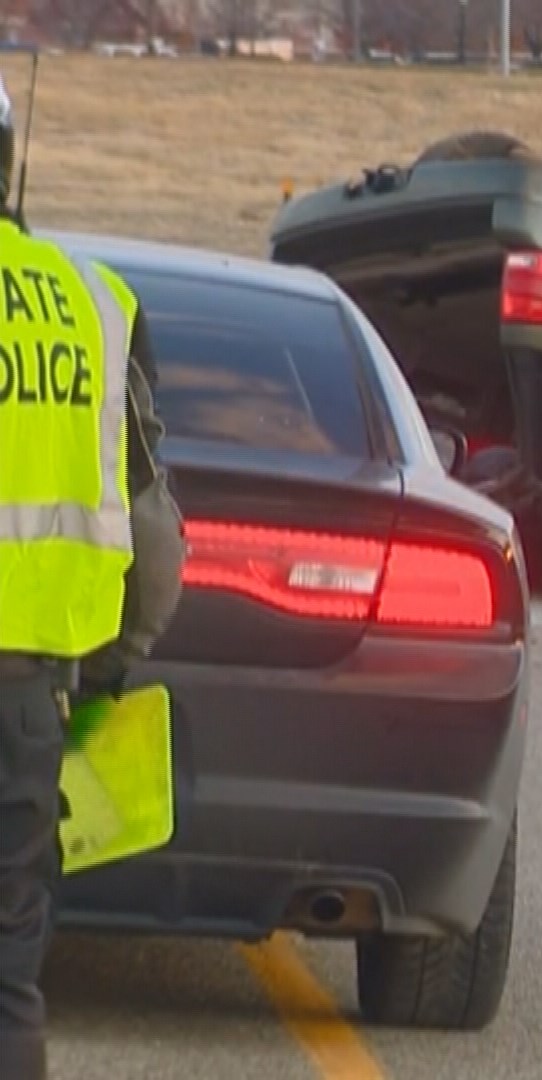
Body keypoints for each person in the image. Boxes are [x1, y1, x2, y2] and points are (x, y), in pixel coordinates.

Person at [0, 73, 184, 1079]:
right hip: (30, 703)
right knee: (7, 974)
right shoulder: (92, 305)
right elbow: (151, 542)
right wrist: (110, 675)